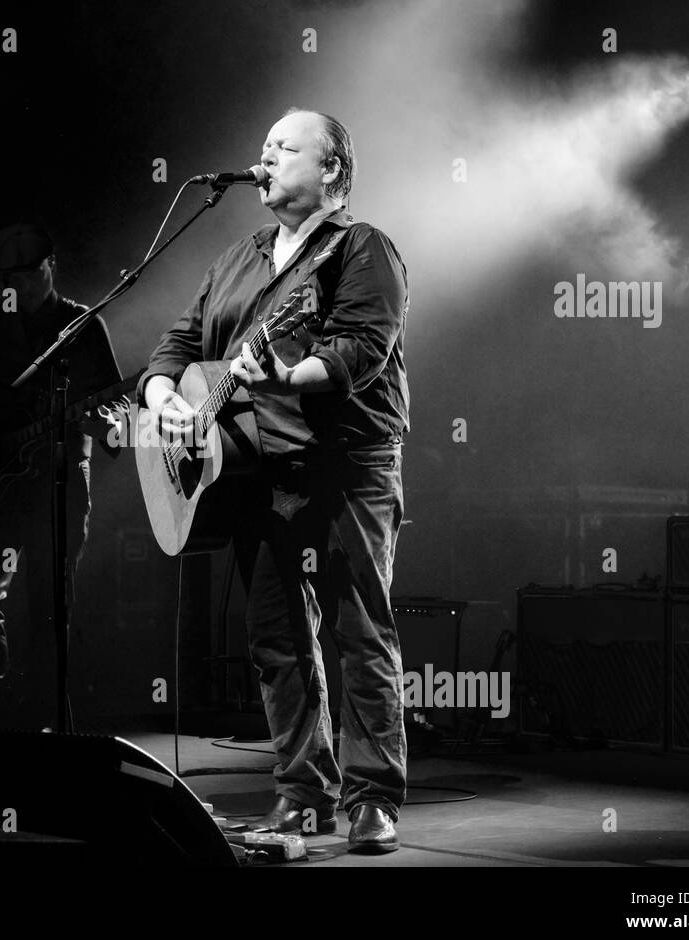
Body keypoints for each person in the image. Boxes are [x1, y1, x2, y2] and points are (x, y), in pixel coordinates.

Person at [138, 109, 410, 853]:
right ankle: (302, 792)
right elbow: (179, 344)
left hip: (344, 467)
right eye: (263, 145)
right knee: (277, 640)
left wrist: (294, 373)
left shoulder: (361, 248)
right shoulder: (240, 255)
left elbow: (361, 349)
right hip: (259, 472)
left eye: (285, 147)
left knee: (359, 632)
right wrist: (167, 403)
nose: (265, 155)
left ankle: (374, 797)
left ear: (331, 170)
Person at [0, 222, 122, 731]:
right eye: (9, 275)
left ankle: (46, 717)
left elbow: (113, 401)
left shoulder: (82, 325)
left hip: (58, 479)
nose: (18, 284)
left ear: (51, 265)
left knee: (51, 601)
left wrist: (106, 423)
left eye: (28, 272)